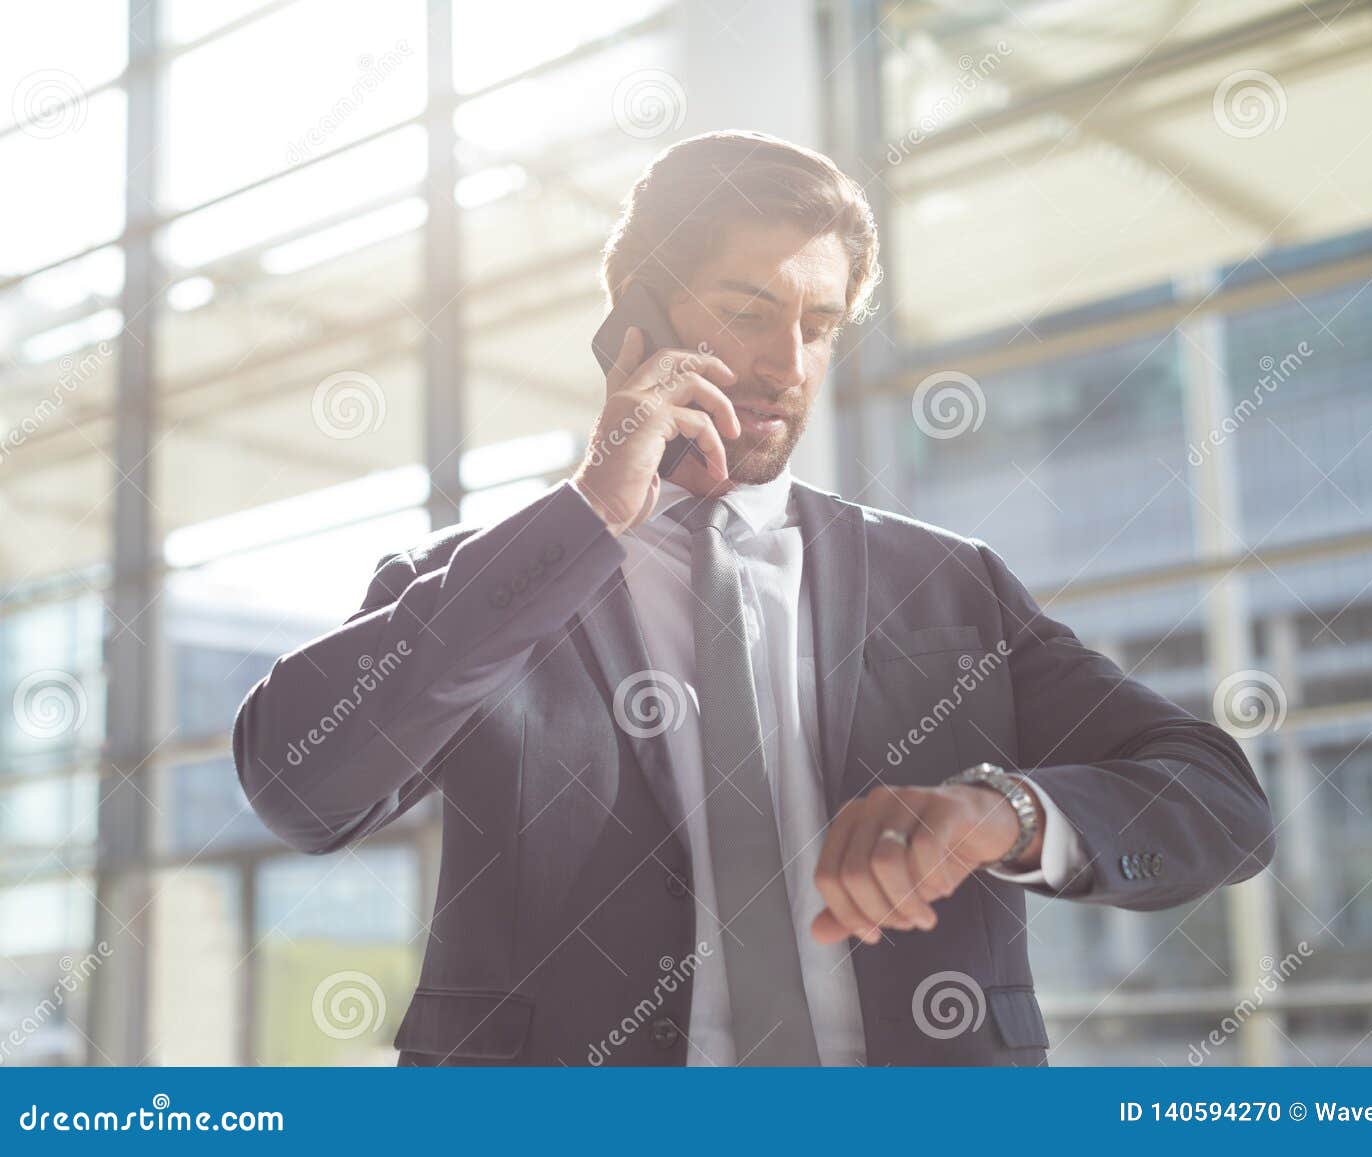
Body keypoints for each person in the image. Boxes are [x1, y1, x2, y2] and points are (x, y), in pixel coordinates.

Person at [233, 129, 1274, 1067]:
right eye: (747, 311)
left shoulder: (946, 581)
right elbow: (298, 781)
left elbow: (1221, 799)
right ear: (637, 313)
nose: (787, 364)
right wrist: (592, 510)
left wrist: (998, 812)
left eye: (820, 324)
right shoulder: (480, 585)